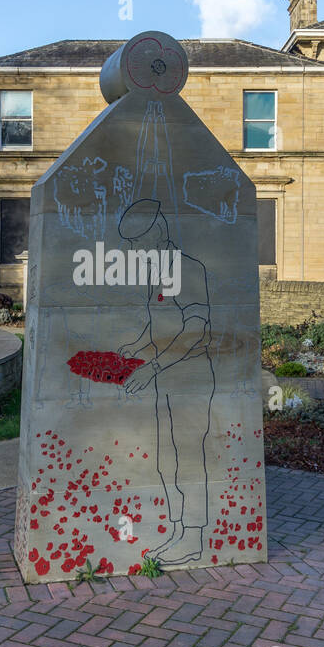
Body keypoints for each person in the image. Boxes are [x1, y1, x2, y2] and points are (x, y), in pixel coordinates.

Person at [117, 200, 215, 566]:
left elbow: (195, 331)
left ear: (156, 233)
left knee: (189, 460)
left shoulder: (187, 269)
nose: (131, 250)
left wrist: (151, 365)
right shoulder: (158, 274)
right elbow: (161, 324)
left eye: (135, 241)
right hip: (166, 380)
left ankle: (193, 538)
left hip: (190, 380)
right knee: (167, 461)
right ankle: (177, 531)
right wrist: (137, 346)